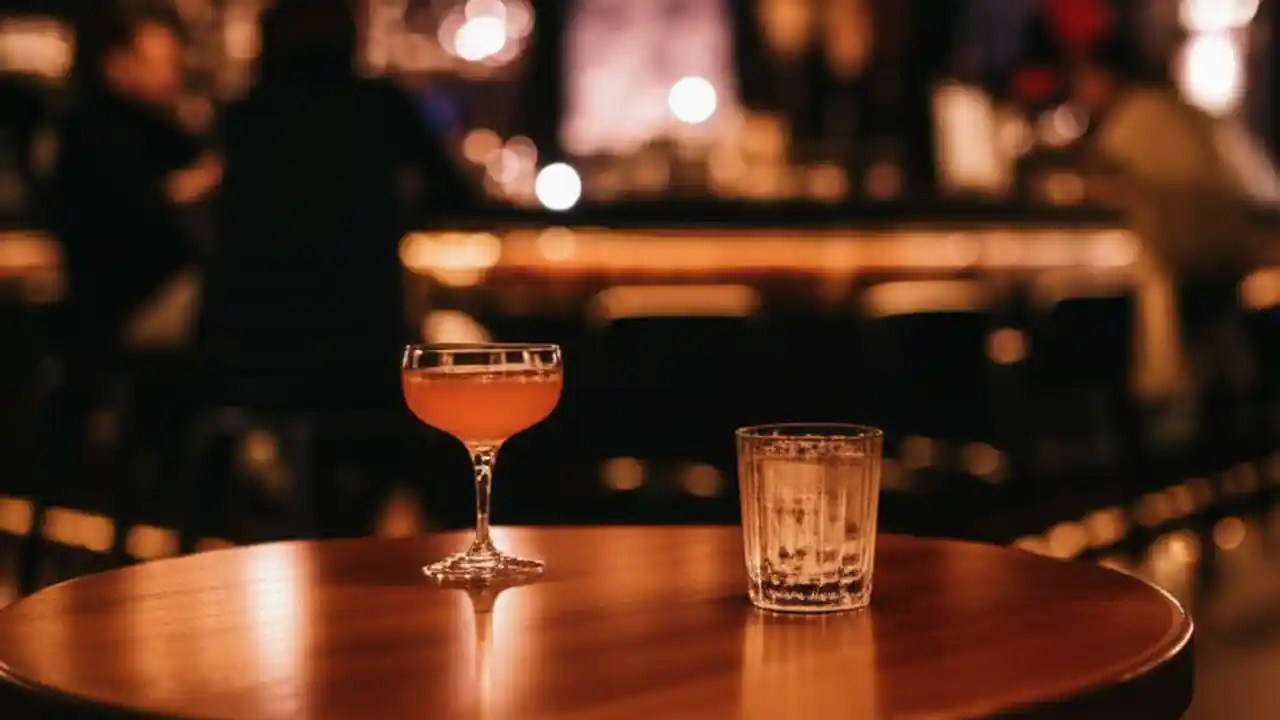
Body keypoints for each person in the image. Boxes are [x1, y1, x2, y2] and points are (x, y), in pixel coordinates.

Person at [202, 0, 478, 408]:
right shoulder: (383, 107)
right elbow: (456, 196)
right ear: (350, 37)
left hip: (247, 333)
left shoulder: (244, 115)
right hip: (361, 332)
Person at [1071, 38, 1268, 415]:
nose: (1082, 91)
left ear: (1105, 77)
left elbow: (1096, 183)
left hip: (1178, 276)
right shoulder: (1193, 113)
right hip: (1231, 277)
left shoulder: (1133, 115)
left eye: (1085, 80)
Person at [52, 3, 218, 356]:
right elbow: (140, 212)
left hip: (152, 293)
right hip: (128, 303)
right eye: (161, 64)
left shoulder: (151, 125)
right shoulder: (97, 130)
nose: (173, 75)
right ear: (117, 63)